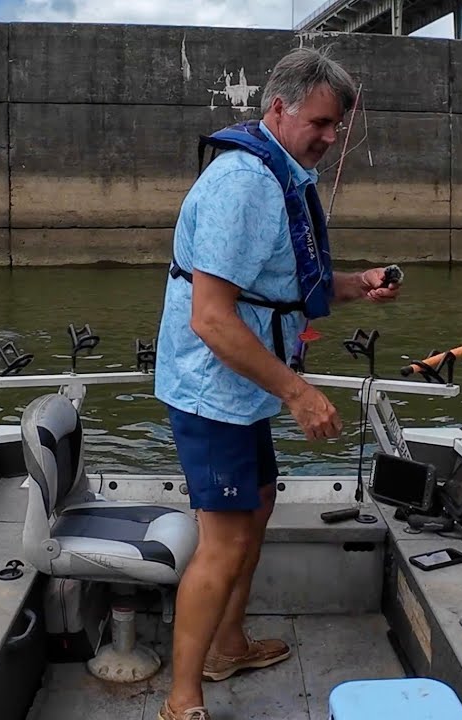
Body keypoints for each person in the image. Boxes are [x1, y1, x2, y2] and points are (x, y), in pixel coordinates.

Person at [151, 47, 398, 720]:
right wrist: (298, 392)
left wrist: (357, 284)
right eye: (320, 122)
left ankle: (228, 645)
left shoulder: (282, 176)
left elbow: (282, 286)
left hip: (243, 392)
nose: (329, 137)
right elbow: (210, 317)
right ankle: (182, 700)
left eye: (337, 126)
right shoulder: (242, 185)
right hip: (212, 392)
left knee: (256, 509)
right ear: (280, 109)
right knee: (225, 540)